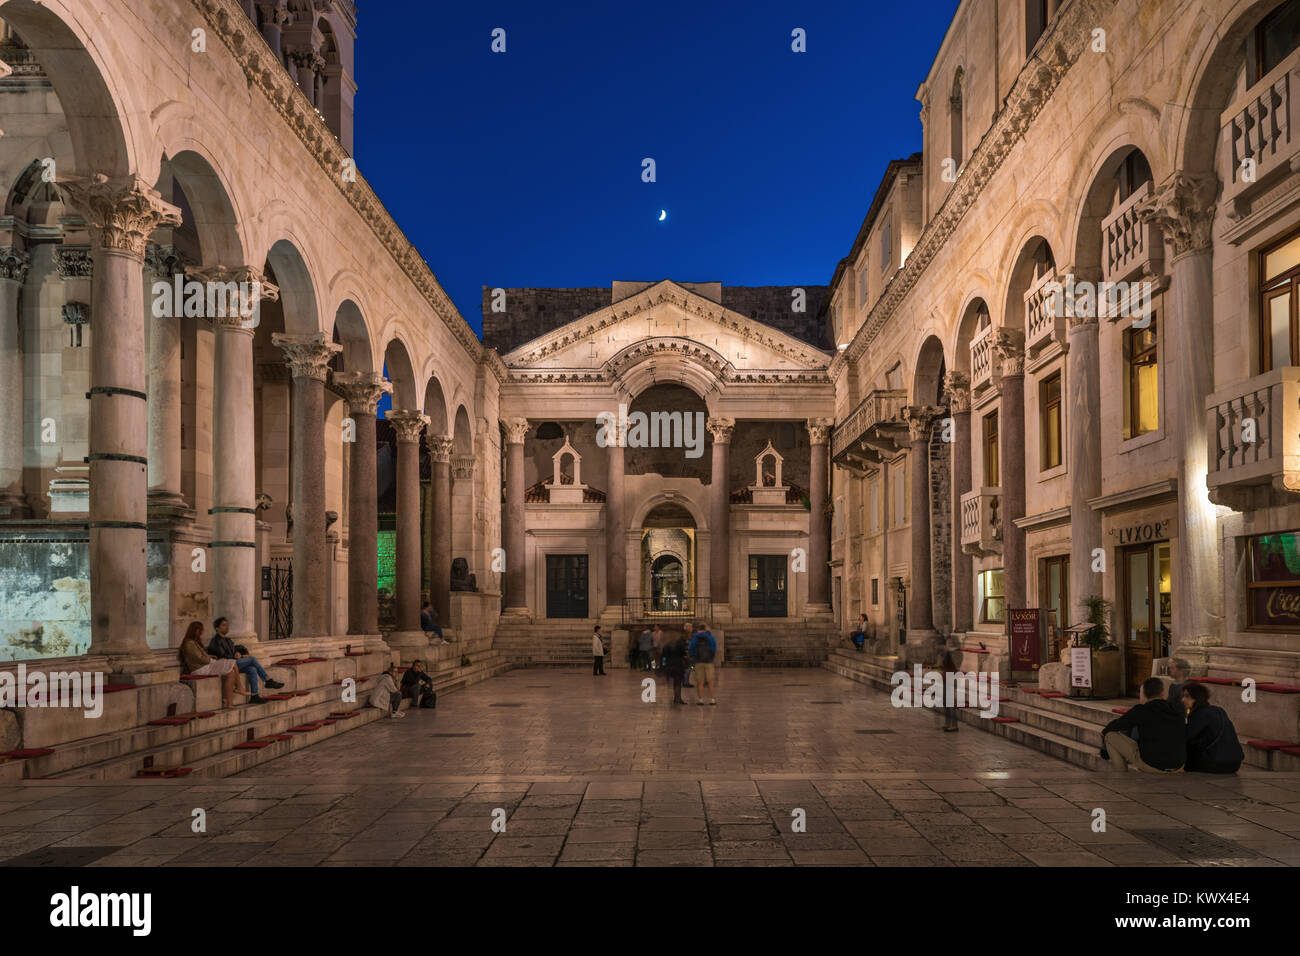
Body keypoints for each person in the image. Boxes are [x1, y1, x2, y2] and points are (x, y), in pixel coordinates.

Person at [1100, 677, 1186, 772]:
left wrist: (1104, 735)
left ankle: (1121, 775)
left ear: (1143, 694)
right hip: (1178, 766)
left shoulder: (1142, 710)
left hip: (1153, 766)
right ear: (1163, 693)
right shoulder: (1176, 710)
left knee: (1109, 736)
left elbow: (1113, 726)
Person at [178, 621, 254, 708]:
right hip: (200, 669)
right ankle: (239, 687)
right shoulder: (189, 643)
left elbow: (202, 656)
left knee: (231, 673)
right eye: (201, 630)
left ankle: (228, 702)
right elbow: (200, 658)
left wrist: (213, 658)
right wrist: (213, 660)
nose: (202, 633)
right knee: (233, 663)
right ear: (196, 630)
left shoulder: (193, 642)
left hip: (205, 666)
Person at [207, 616, 283, 697]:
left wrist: (240, 654)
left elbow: (237, 649)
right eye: (223, 625)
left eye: (227, 625)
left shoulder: (227, 640)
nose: (227, 627)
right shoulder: (215, 641)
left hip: (233, 664)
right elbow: (223, 656)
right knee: (252, 659)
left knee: (252, 669)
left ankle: (254, 695)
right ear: (217, 628)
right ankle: (267, 680)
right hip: (226, 665)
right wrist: (238, 656)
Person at [1183, 683, 1244, 774]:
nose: (1183, 700)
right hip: (1235, 764)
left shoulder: (1199, 714)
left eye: (1187, 696)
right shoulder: (1218, 710)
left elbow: (1188, 736)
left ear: (1196, 697)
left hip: (1216, 764)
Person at [688, 622, 717, 705]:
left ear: (698, 629)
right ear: (705, 629)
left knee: (700, 682)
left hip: (698, 662)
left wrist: (693, 658)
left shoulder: (694, 638)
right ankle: (712, 699)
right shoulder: (710, 637)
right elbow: (714, 649)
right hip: (709, 662)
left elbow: (691, 650)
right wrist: (711, 657)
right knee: (710, 682)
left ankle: (700, 700)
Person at [939, 638, 961, 732]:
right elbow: (942, 664)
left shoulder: (954, 654)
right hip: (945, 678)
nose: (948, 644)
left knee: (950, 703)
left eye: (950, 643)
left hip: (950, 679)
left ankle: (954, 725)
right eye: (947, 642)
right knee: (945, 702)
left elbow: (955, 665)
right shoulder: (947, 653)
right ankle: (947, 722)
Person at [662, 630, 687, 704]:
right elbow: (684, 655)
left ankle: (675, 698)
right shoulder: (680, 645)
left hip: (670, 666)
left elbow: (663, 657)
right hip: (678, 666)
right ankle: (678, 698)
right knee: (678, 683)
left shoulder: (666, 646)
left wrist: (663, 666)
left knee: (673, 683)